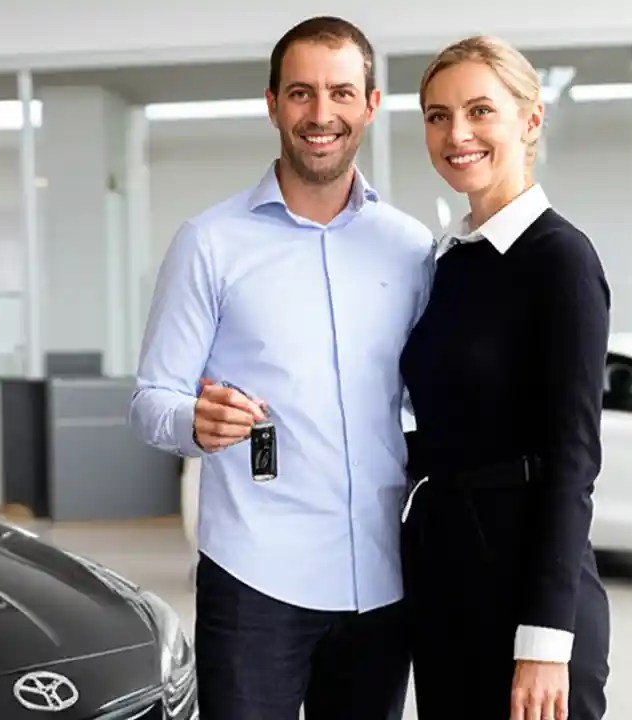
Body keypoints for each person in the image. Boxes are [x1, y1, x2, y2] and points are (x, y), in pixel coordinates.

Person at [129, 16, 435, 720]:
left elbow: (430, 398)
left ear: (370, 104)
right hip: (254, 580)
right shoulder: (210, 243)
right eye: (300, 94)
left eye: (339, 93)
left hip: (382, 582)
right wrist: (195, 423)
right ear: (272, 104)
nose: (320, 115)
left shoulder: (410, 248)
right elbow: (151, 400)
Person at [398, 35, 612, 720]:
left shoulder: (561, 259)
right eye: (437, 115)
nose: (456, 133)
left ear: (530, 119)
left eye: (479, 110)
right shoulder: (449, 264)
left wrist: (546, 639)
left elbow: (573, 460)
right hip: (448, 583)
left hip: (529, 595)